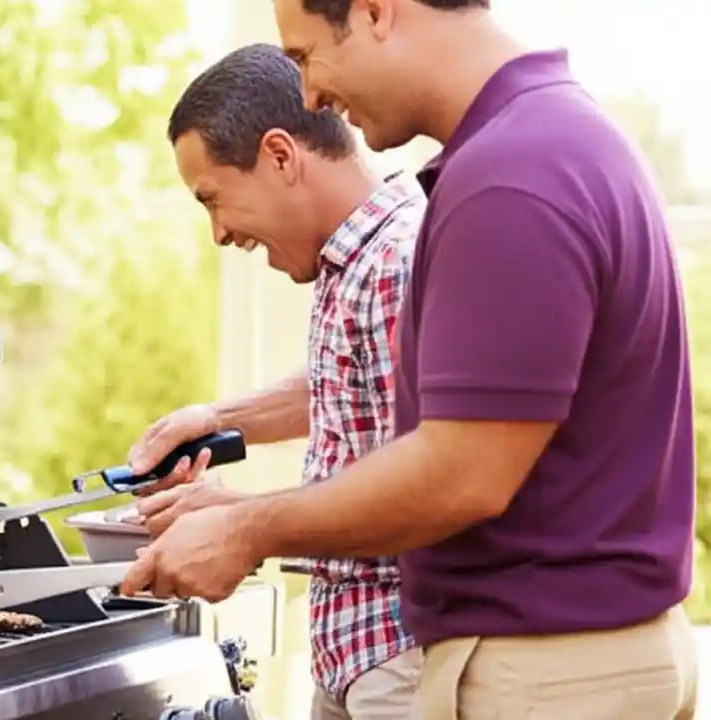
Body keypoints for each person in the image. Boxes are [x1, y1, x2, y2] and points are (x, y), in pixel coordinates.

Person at [120, 1, 700, 718]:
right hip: (573, 654)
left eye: (303, 57)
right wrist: (224, 421)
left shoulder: (512, 174)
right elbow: (459, 385)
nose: (308, 99)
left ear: (374, 11)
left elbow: (461, 474)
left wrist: (246, 526)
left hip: (544, 667)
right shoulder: (552, 140)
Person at [126, 43, 427, 719]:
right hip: (359, 658)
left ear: (282, 157)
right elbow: (350, 382)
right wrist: (216, 418)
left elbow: (421, 494)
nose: (218, 234)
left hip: (405, 662)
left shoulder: (398, 262)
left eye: (213, 199)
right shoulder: (359, 257)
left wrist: (242, 522)